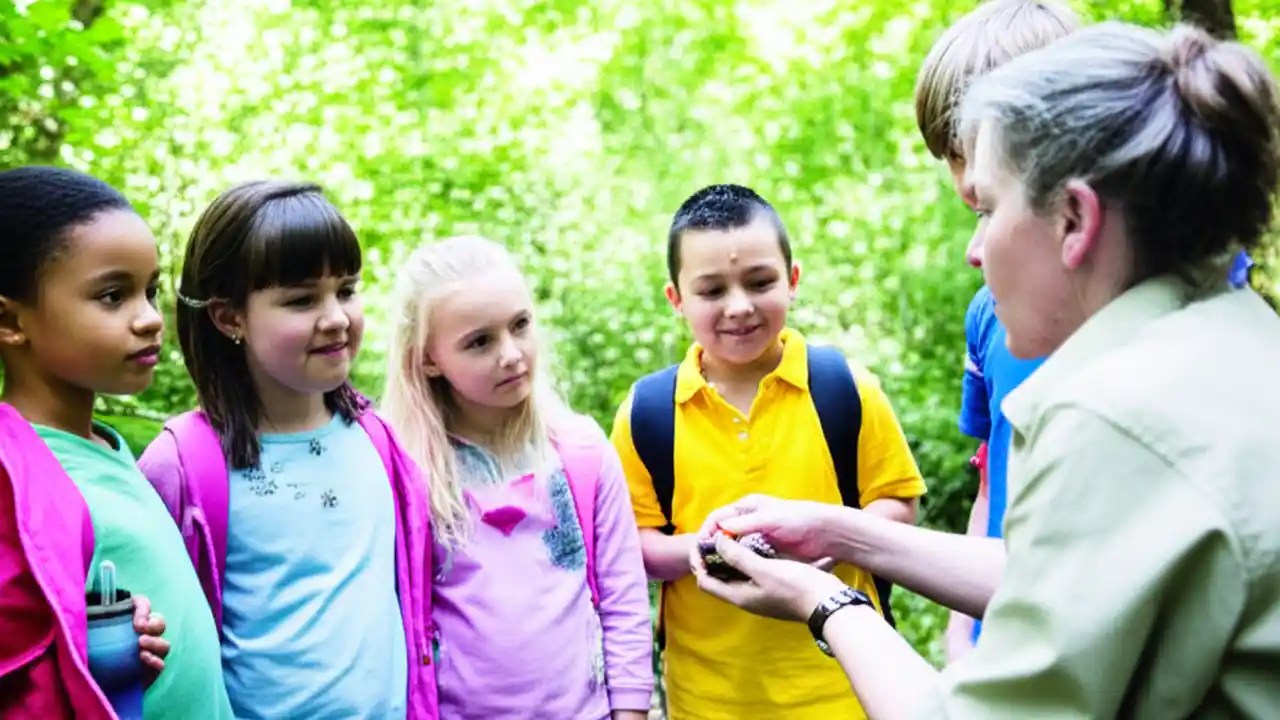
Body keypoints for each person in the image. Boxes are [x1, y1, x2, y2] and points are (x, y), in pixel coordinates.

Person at [692, 22, 1280, 719]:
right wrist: (839, 532)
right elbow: (1062, 583)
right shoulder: (1238, 338)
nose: (976, 250)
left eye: (989, 209)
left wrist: (824, 602)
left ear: (1074, 219)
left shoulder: (1116, 417)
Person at [611, 184, 925, 719]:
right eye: (712, 291)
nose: (739, 307)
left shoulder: (844, 389)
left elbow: (898, 503)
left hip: (846, 687)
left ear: (793, 280)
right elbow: (634, 545)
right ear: (677, 299)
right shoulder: (648, 413)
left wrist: (833, 538)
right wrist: (707, 549)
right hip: (710, 698)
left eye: (760, 282)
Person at [137, 181, 434, 718]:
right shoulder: (182, 465)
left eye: (346, 290)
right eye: (301, 300)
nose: (337, 317)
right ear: (230, 318)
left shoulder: (379, 442)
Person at [380, 235, 653, 720]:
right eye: (479, 342)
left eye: (520, 325)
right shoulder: (406, 474)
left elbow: (623, 601)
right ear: (428, 359)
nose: (511, 354)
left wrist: (630, 712)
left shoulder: (580, 452)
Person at [0, 165, 223, 719]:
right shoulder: (12, 479)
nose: (149, 319)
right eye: (112, 295)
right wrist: (76, 668)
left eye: (148, 291)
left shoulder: (106, 446)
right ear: (9, 321)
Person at [913, 0, 1081, 660]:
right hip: (998, 629)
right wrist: (962, 630)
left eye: (971, 147)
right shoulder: (989, 312)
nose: (962, 177)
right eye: (950, 155)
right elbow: (991, 475)